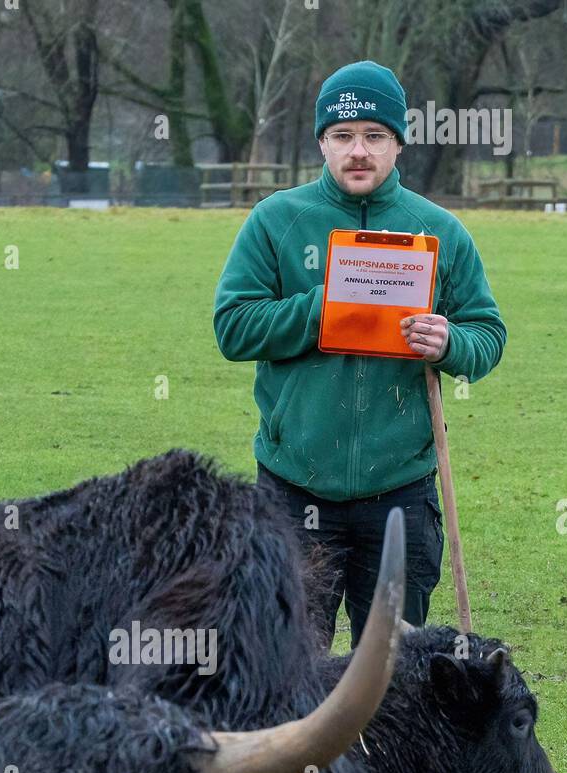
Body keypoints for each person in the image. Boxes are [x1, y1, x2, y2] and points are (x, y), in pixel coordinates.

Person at [213, 60, 507, 645]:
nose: (358, 151)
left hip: (400, 492)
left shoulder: (439, 230)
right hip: (294, 489)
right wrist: (325, 307)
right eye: (343, 136)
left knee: (390, 672)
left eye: (375, 136)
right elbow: (234, 328)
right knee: (294, 666)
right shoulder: (275, 220)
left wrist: (451, 342)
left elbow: (487, 332)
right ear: (322, 141)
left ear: (399, 143)